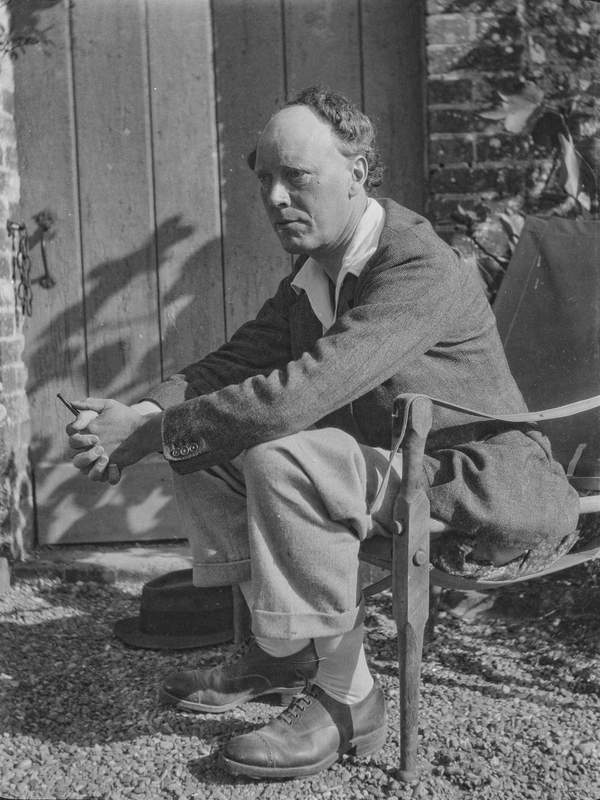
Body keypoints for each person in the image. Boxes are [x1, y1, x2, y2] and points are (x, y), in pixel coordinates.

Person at [66, 86, 579, 779]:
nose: (276, 197)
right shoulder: (311, 275)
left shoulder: (415, 265)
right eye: (265, 180)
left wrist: (153, 434)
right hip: (397, 469)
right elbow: (233, 364)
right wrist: (149, 418)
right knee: (206, 453)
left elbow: (297, 396)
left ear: (358, 174)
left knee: (281, 457)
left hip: (479, 483)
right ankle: (283, 654)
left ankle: (349, 701)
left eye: (297, 178)